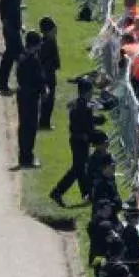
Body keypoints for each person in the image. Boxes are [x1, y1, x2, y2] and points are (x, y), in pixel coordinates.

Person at [50, 77, 99, 207]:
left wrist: (96, 120)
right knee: (77, 169)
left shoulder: (77, 104)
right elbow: (87, 125)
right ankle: (57, 192)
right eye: (91, 91)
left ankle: (86, 194)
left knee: (81, 168)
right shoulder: (84, 107)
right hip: (80, 141)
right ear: (86, 92)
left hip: (77, 140)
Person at [14, 29, 45, 167]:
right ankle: (28, 158)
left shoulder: (22, 56)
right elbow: (38, 78)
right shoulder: (32, 59)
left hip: (22, 94)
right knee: (30, 128)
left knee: (23, 126)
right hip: (31, 96)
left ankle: (23, 156)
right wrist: (43, 90)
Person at [0, 0, 24, 93]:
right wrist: (12, 33)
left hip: (15, 31)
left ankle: (6, 83)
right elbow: (5, 19)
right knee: (11, 58)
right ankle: (2, 84)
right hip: (10, 32)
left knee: (17, 57)